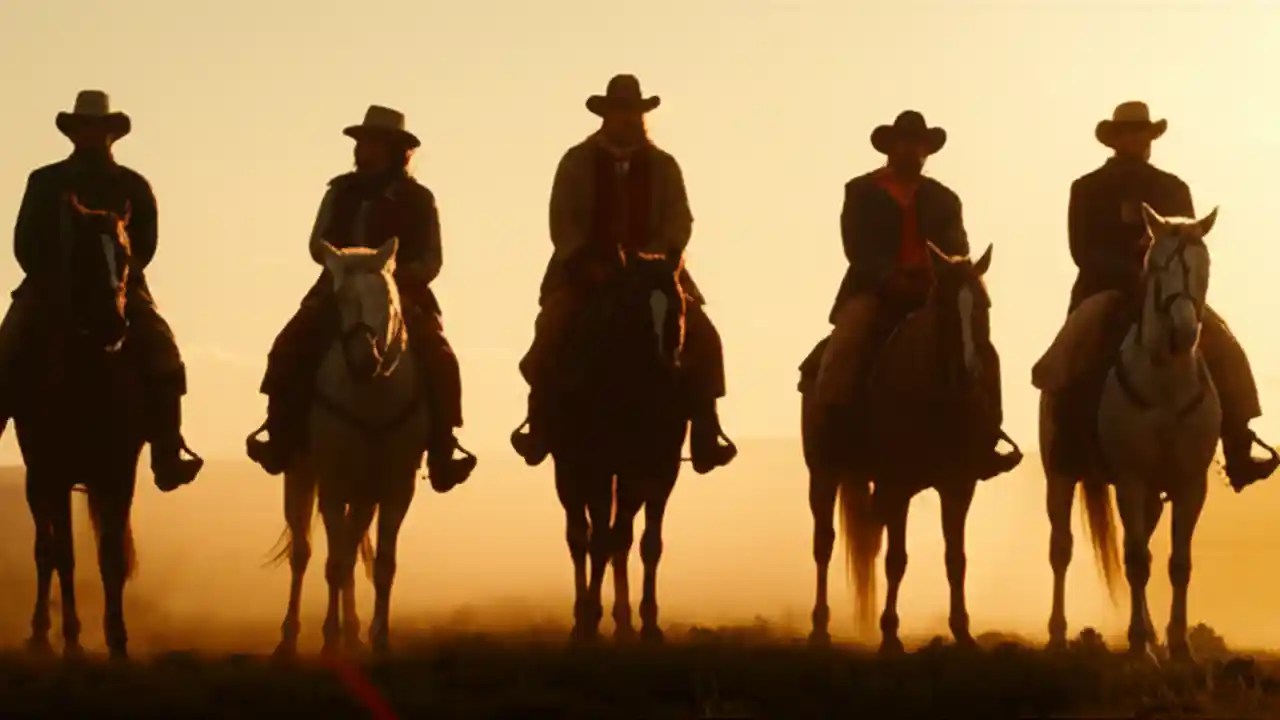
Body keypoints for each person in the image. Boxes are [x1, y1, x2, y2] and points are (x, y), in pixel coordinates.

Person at [1033, 101, 1278, 491]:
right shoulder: (1088, 188)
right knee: (1069, 354)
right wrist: (1133, 271)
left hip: (1169, 293)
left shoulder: (1173, 187)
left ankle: (1238, 443)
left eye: (1143, 134)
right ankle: (1066, 441)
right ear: (1116, 140)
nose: (1138, 141)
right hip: (1106, 289)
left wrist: (1170, 280)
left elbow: (1190, 243)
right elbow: (1082, 250)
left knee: (1225, 347)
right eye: (1131, 133)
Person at [509, 74, 737, 474]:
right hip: (585, 271)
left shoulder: (664, 165)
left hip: (655, 273)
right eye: (619, 111)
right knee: (553, 327)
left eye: (632, 111)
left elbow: (679, 219)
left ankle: (706, 427)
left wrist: (661, 258)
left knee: (702, 334)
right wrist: (583, 260)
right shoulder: (576, 161)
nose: (626, 118)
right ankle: (539, 419)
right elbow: (563, 220)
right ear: (605, 115)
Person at [246, 105, 476, 492]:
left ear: (394, 149)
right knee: (288, 345)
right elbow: (317, 243)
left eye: (372, 143)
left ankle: (443, 445)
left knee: (440, 357)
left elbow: (431, 258)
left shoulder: (418, 198)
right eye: (361, 142)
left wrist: (388, 278)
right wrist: (345, 266)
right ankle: (280, 433)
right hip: (338, 286)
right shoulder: (340, 192)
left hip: (401, 292)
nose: (362, 150)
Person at [0, 90, 202, 492]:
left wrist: (120, 278)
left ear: (111, 133)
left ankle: (167, 450)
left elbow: (146, 244)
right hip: (49, 287)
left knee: (163, 348)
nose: (90, 134)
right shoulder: (45, 181)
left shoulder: (132, 185)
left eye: (97, 127)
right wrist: (56, 281)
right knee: (8, 344)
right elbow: (25, 242)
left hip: (119, 287)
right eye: (84, 127)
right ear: (73, 132)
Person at [813, 110, 1016, 478]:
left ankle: (987, 435)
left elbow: (957, 247)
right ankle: (834, 434)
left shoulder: (944, 198)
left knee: (981, 349)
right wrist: (888, 278)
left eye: (919, 145)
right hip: (875, 290)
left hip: (932, 291)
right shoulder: (861, 191)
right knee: (847, 344)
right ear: (890, 148)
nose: (912, 151)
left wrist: (945, 274)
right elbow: (857, 247)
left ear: (927, 150)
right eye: (904, 143)